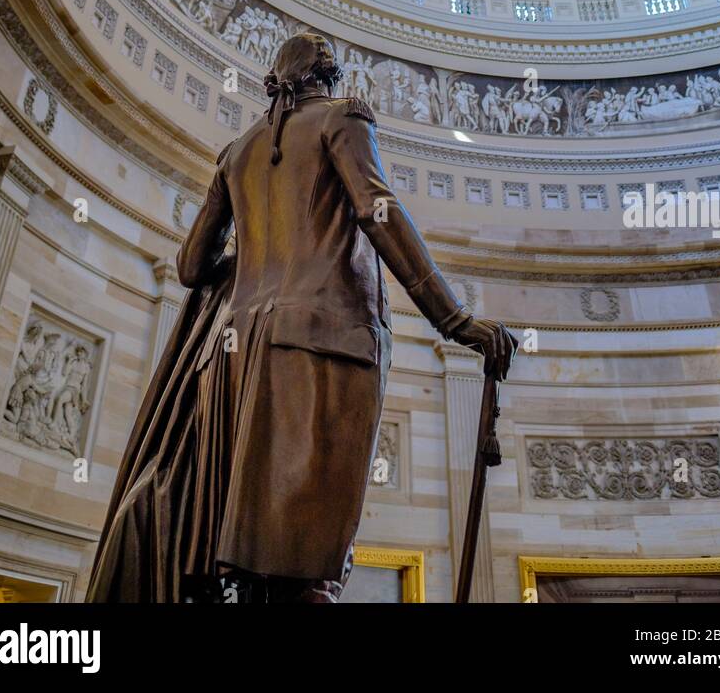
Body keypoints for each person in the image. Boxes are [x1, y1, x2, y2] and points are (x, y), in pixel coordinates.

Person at [87, 32, 516, 603]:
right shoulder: (344, 119)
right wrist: (455, 319)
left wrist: (260, 247)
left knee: (243, 561)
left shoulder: (236, 152)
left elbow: (191, 266)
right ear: (329, 76)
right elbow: (376, 209)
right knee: (306, 564)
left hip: (230, 357)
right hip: (319, 343)